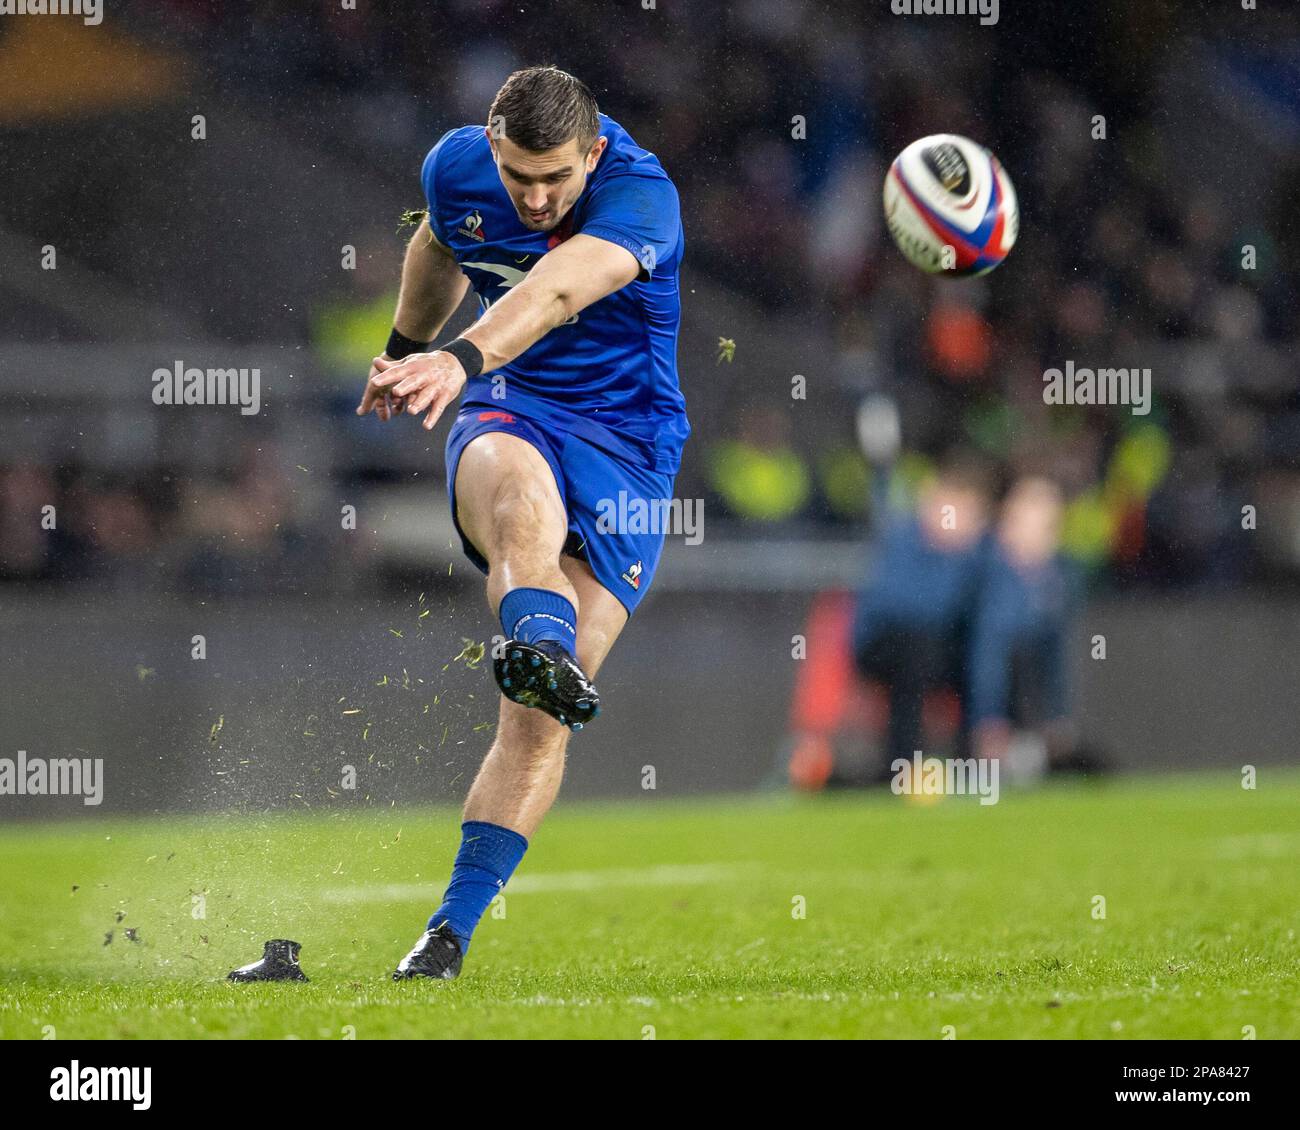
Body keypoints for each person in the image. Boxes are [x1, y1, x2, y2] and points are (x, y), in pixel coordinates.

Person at [355, 66, 689, 981]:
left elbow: (552, 293)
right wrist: (401, 352)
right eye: (517, 179)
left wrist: (456, 357)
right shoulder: (457, 167)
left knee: (540, 721)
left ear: (592, 152)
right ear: (493, 150)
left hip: (629, 445)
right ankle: (536, 640)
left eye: (555, 179)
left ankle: (449, 930)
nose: (535, 198)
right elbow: (437, 246)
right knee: (520, 510)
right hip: (514, 400)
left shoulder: (643, 195)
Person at [850, 455, 993, 770]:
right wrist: (951, 558)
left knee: (981, 654)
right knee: (915, 651)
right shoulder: (902, 538)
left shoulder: (977, 555)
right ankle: (902, 766)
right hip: (883, 645)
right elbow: (900, 607)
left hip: (938, 648)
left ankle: (976, 763)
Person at [968, 475, 1078, 768]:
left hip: (1027, 699)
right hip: (975, 690)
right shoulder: (987, 568)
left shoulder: (1056, 576)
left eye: (1051, 526)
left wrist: (1057, 715)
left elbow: (1056, 653)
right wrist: (989, 718)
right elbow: (987, 649)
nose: (1046, 536)